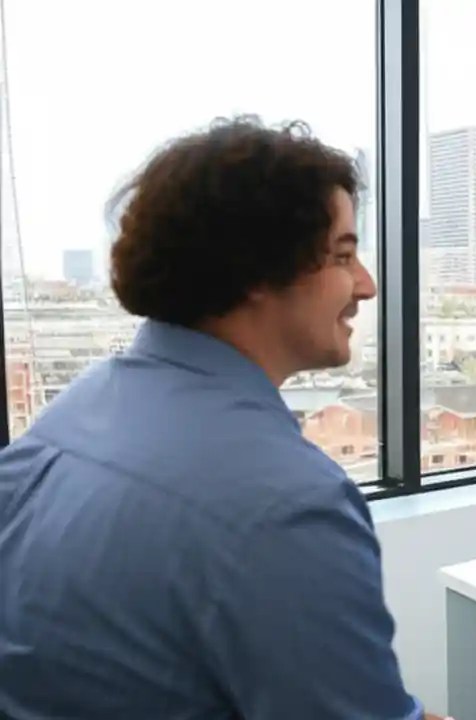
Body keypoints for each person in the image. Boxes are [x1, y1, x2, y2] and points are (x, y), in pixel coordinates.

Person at [0, 118, 449, 720]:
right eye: (343, 256)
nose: (365, 285)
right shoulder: (286, 502)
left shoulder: (76, 410)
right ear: (259, 271)